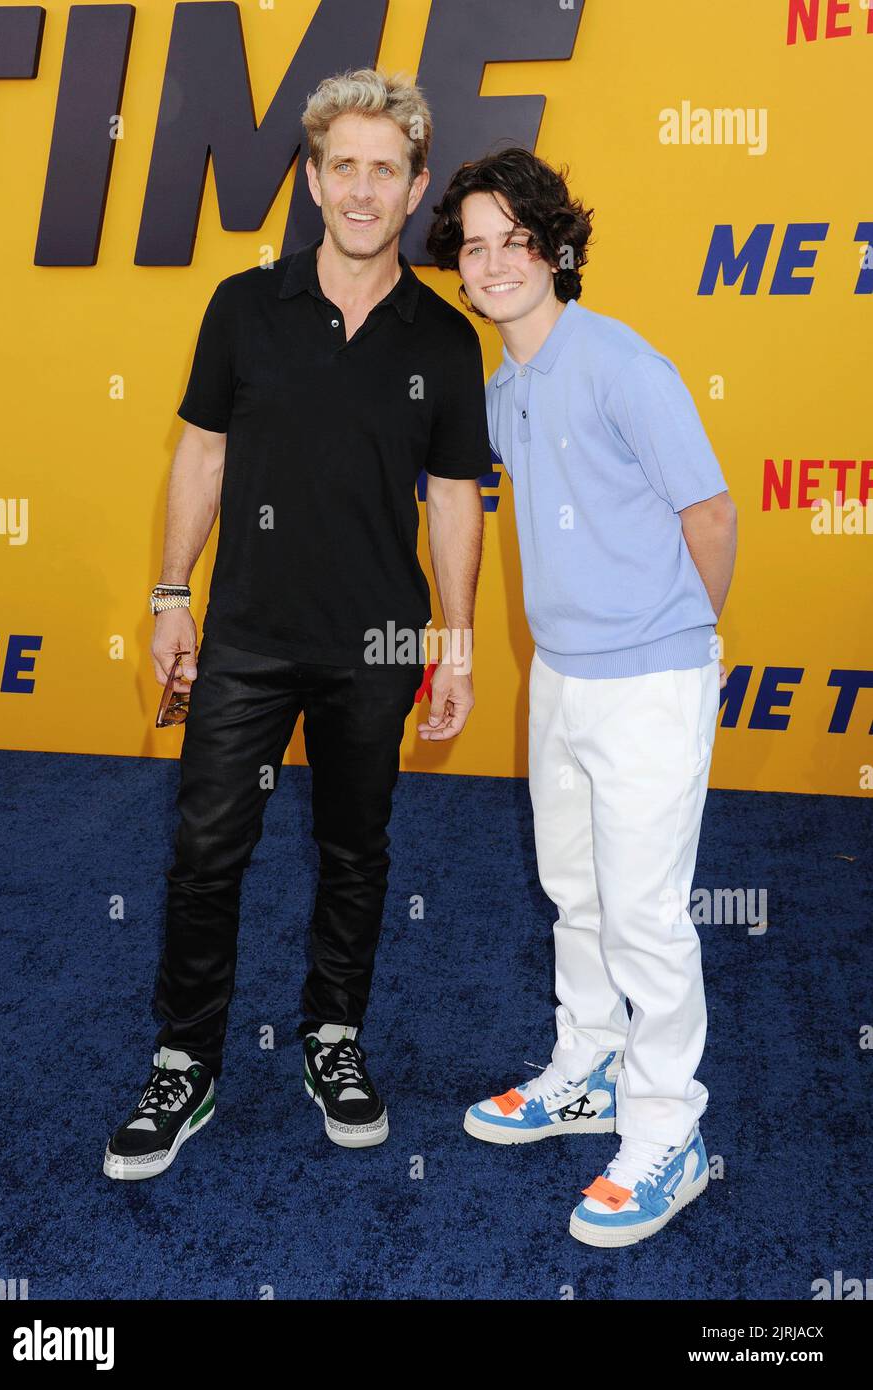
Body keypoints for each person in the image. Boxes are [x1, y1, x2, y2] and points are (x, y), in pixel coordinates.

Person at [103, 69, 488, 1180]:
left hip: (378, 644)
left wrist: (452, 641)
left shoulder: (444, 336)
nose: (362, 190)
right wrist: (173, 594)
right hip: (248, 637)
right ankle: (185, 1059)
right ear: (313, 178)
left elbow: (455, 496)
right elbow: (203, 451)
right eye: (343, 167)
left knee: (354, 851)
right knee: (205, 850)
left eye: (385, 170)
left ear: (415, 187)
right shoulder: (242, 305)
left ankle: (333, 1036)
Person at [427, 148, 737, 1246]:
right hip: (558, 679)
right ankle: (589, 1070)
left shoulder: (621, 363)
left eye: (517, 238)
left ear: (556, 250)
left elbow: (708, 514)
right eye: (475, 244)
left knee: (648, 916)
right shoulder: (502, 388)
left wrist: (679, 643)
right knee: (577, 893)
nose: (496, 261)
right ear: (457, 269)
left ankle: (670, 1130)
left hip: (651, 677)